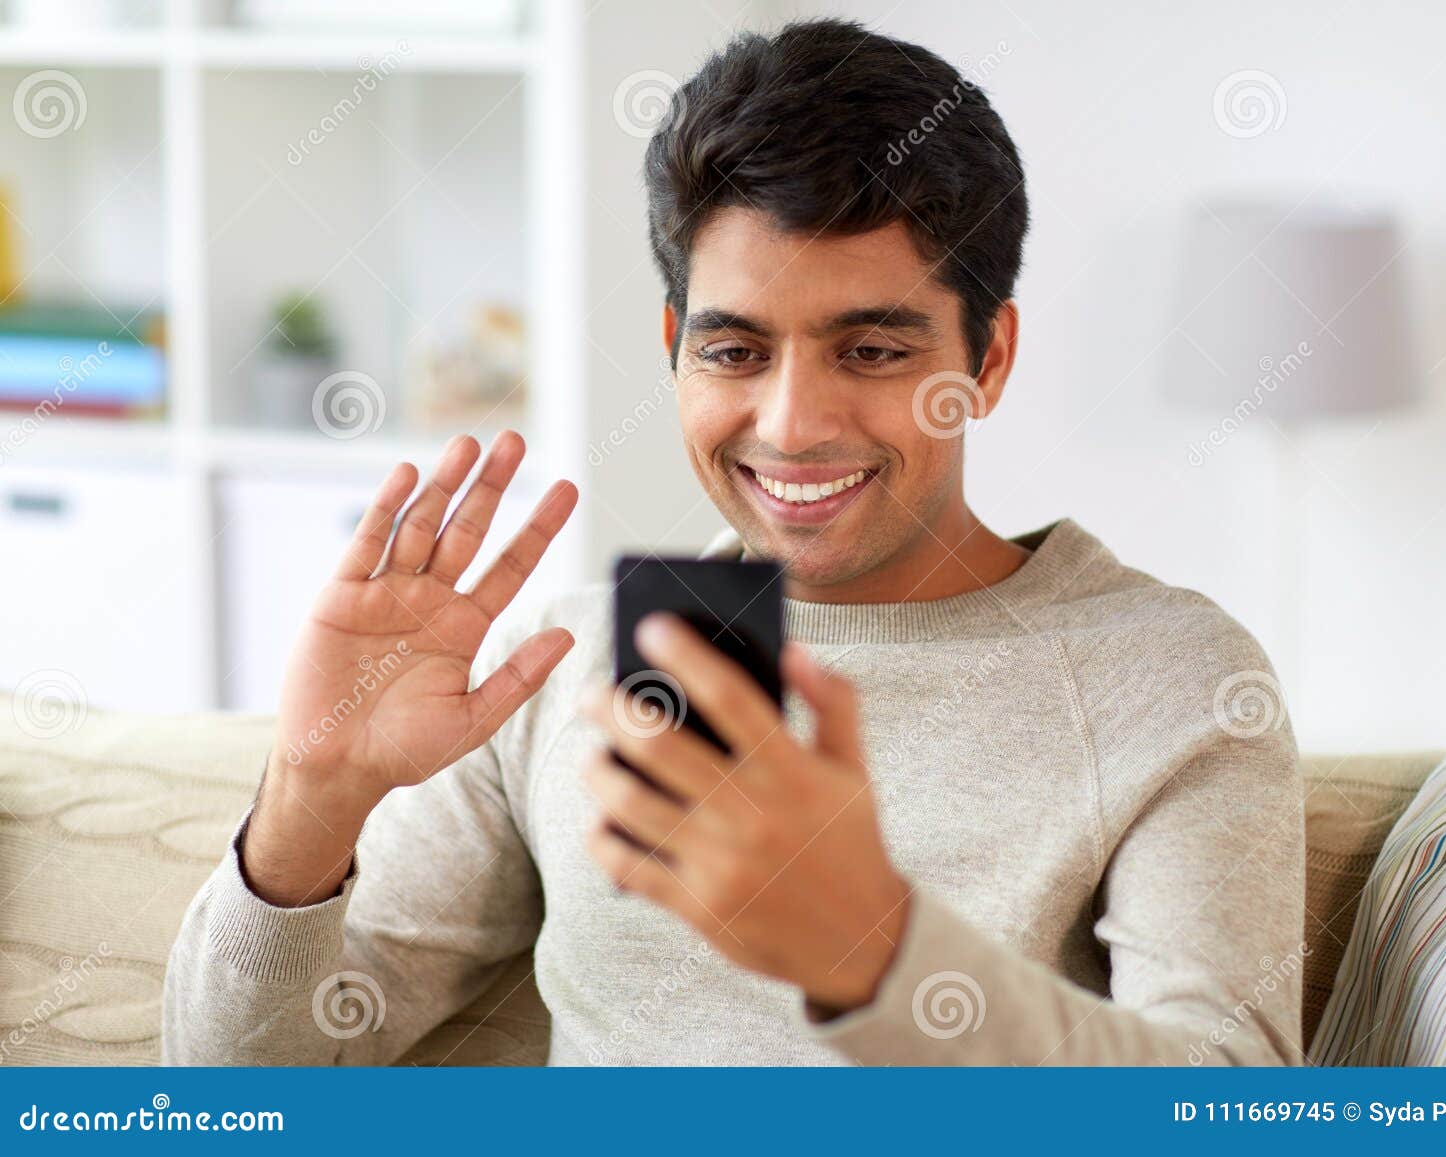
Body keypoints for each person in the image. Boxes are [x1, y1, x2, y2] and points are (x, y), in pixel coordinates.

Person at [163, 17, 1305, 1066]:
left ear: (986, 361)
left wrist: (876, 952)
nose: (792, 425)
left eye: (871, 351)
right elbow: (236, 1097)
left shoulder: (1168, 677)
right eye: (734, 351)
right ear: (674, 345)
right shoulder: (563, 669)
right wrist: (309, 800)